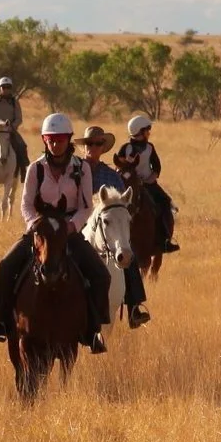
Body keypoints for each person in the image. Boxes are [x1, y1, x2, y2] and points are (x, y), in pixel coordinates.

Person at [0, 113, 114, 352]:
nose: (55, 144)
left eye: (60, 139)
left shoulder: (82, 169)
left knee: (101, 275)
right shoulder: (35, 169)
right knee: (5, 268)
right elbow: (26, 205)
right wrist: (36, 225)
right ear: (44, 140)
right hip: (41, 230)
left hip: (69, 230)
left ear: (68, 140)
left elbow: (87, 206)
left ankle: (93, 331)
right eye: (51, 139)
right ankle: (0, 323)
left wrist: (71, 227)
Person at [80, 125, 150, 328]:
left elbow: (120, 206)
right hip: (78, 222)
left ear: (103, 147)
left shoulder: (111, 176)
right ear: (85, 146)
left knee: (128, 256)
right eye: (90, 143)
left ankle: (134, 307)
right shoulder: (75, 170)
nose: (93, 147)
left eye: (98, 144)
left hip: (108, 226)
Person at [116, 114, 180, 253]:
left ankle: (165, 239)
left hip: (148, 184)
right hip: (128, 186)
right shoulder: (124, 148)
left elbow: (156, 167)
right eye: (147, 130)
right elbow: (118, 165)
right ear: (140, 131)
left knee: (165, 202)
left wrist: (151, 178)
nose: (149, 133)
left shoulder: (150, 148)